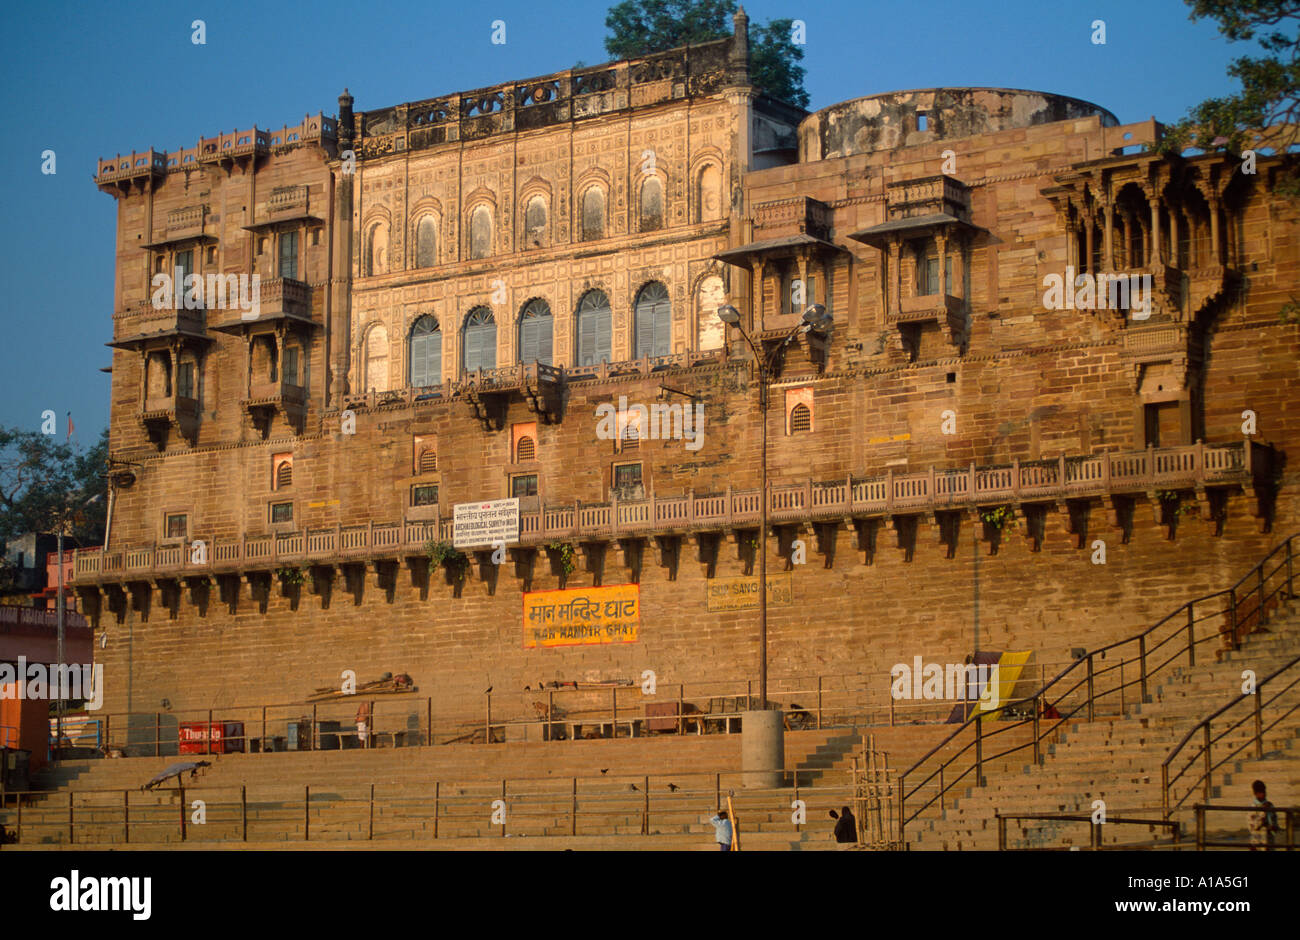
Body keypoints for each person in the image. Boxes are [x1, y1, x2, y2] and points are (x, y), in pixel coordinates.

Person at [1248, 780, 1278, 850]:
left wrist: (1273, 827)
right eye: (1260, 792)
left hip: (1269, 842)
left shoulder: (1270, 805)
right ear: (1255, 793)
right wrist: (1263, 812)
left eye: (1264, 792)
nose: (1263, 794)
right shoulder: (1252, 807)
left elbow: (1275, 821)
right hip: (1257, 841)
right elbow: (1252, 827)